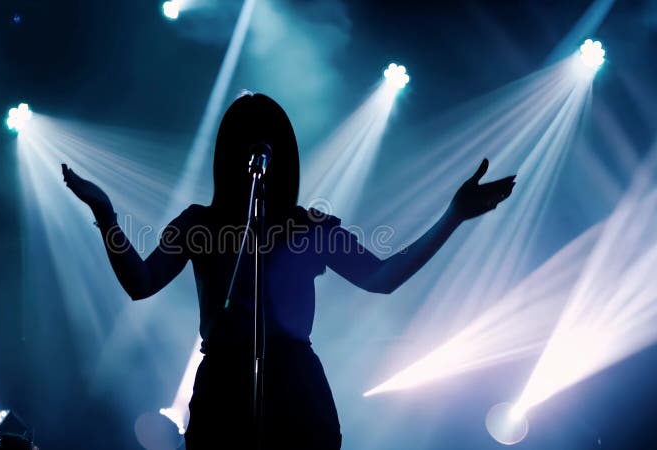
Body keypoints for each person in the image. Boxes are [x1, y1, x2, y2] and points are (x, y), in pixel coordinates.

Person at [62, 93, 515, 449]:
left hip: (295, 385)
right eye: (248, 143)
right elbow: (140, 284)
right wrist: (105, 216)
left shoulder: (309, 225)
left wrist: (453, 216)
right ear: (230, 156)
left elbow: (382, 277)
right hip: (224, 384)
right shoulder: (201, 222)